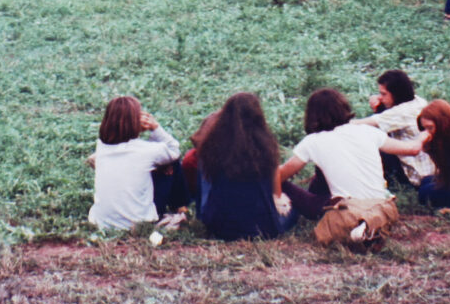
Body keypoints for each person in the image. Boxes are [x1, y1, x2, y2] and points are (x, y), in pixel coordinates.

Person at [278, 88, 425, 220]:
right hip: (382, 208)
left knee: (274, 179)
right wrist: (427, 132)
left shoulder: (312, 141)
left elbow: (279, 176)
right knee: (322, 170)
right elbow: (412, 149)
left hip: (348, 213)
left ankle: (279, 215)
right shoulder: (367, 131)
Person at [194, 92, 298, 240]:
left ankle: (201, 213)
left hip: (219, 227)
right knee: (293, 210)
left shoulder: (212, 146)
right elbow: (276, 194)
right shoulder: (267, 148)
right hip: (263, 228)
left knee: (204, 167)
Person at [87, 96, 187, 231]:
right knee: (171, 163)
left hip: (102, 222)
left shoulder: (102, 146)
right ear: (135, 122)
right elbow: (174, 150)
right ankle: (181, 208)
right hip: (139, 222)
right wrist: (155, 128)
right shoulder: (145, 151)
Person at [352, 70, 435, 188]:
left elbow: (359, 125)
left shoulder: (400, 112)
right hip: (430, 168)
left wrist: (334, 122)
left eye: (384, 94)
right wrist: (380, 104)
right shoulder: (418, 101)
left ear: (397, 94)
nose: (380, 97)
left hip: (416, 175)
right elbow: (387, 116)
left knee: (371, 140)